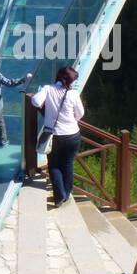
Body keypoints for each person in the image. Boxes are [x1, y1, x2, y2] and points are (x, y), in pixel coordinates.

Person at [29, 65, 85, 207]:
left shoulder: (48, 89)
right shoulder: (73, 94)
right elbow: (80, 114)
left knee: (54, 165)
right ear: (70, 81)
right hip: (73, 135)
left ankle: (59, 196)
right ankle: (67, 193)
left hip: (55, 136)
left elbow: (35, 101)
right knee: (68, 164)